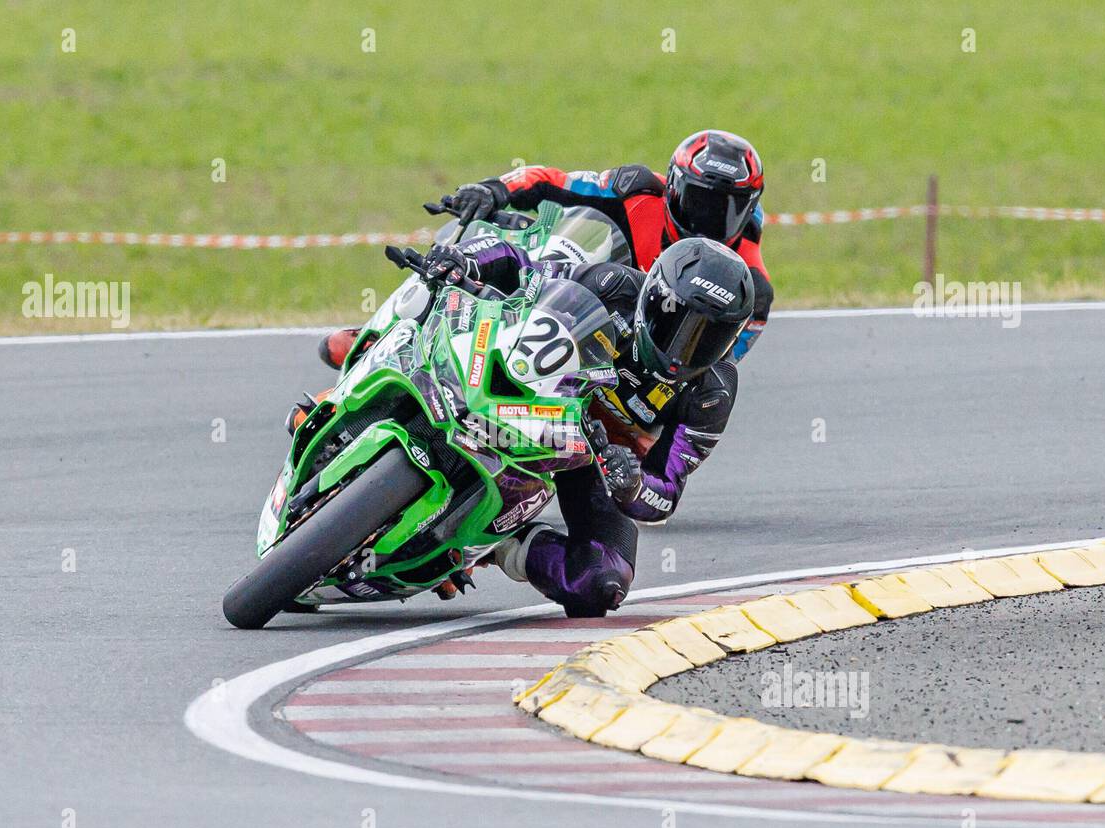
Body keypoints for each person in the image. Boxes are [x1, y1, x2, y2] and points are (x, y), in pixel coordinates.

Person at [421, 232, 755, 616]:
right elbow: (523, 264)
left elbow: (665, 494)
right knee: (426, 300)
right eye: (676, 320)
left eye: (709, 336)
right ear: (654, 296)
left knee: (600, 581)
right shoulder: (613, 286)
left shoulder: (711, 393)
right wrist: (466, 260)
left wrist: (631, 484)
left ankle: (497, 545)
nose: (685, 349)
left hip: (589, 458)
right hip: (520, 399)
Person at [319, 129, 773, 370]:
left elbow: (714, 365)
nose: (708, 221)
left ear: (748, 209)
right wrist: (495, 190)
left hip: (644, 365)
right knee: (493, 237)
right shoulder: (637, 189)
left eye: (724, 210)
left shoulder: (749, 286)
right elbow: (555, 182)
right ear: (673, 186)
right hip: (582, 297)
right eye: (699, 201)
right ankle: (383, 339)